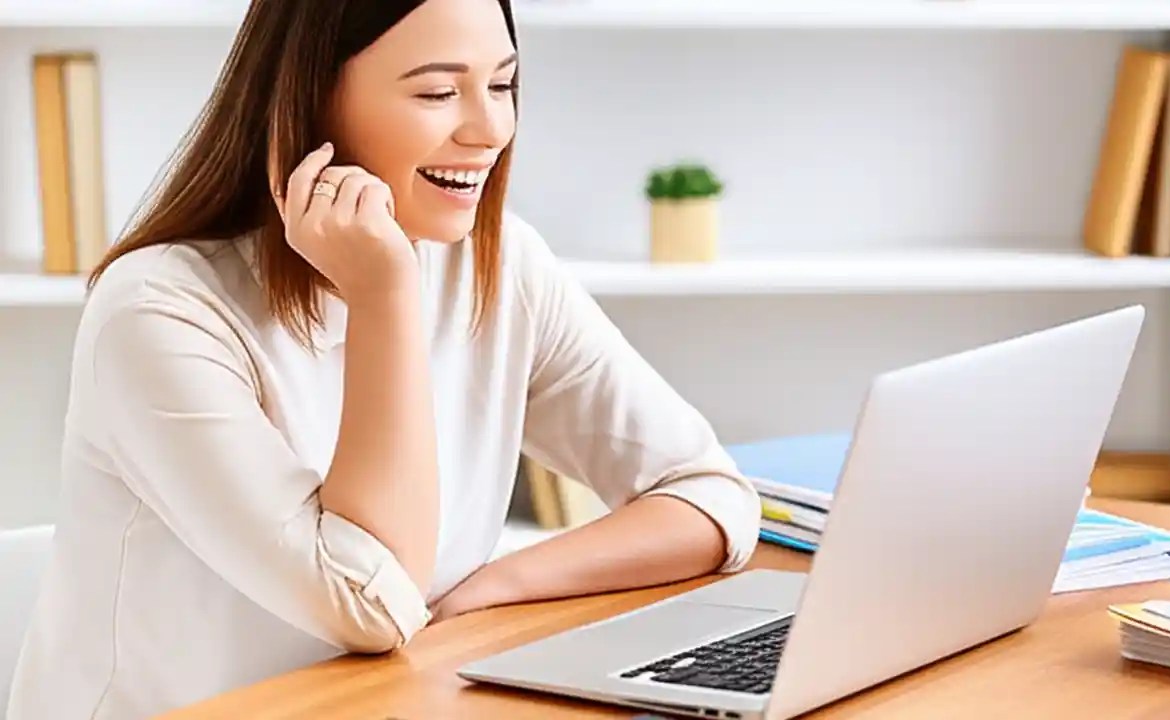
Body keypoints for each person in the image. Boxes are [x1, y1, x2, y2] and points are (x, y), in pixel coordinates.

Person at [6, 1, 761, 718]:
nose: (490, 128)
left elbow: (708, 496)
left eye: (503, 84)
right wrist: (386, 294)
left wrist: (496, 585)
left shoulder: (501, 266)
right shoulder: (159, 311)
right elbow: (370, 604)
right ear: (310, 102)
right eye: (438, 92)